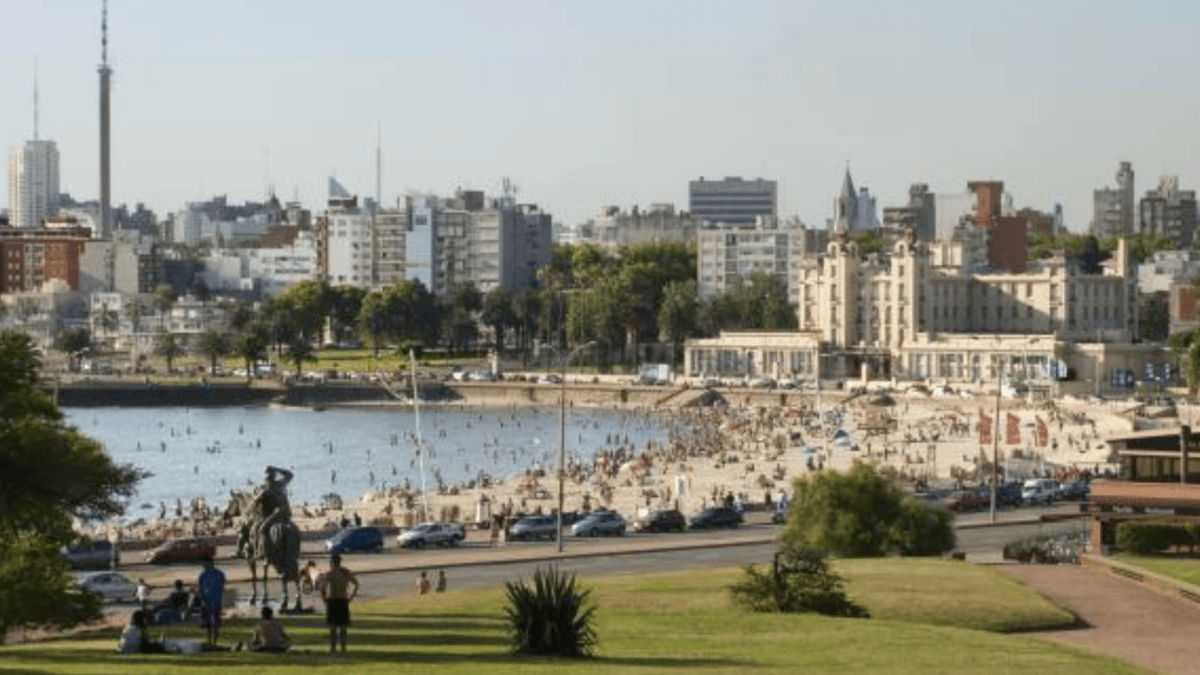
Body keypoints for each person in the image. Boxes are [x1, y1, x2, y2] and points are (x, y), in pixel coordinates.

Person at [321, 552, 358, 654]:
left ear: (332, 563)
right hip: (342, 600)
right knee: (342, 627)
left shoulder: (330, 574)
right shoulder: (345, 572)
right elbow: (356, 584)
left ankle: (334, 647)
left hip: (333, 600)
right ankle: (342, 647)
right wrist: (351, 597)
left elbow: (322, 588)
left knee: (334, 627)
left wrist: (325, 600)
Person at [254, 465, 294, 553]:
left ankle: (262, 551)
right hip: (287, 513)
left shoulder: (266, 489)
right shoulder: (281, 483)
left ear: (267, 479)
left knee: (262, 529)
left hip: (275, 515)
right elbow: (290, 474)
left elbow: (256, 502)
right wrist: (277, 469)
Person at [197, 554, 226, 649]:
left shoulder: (218, 574)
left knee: (215, 624)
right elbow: (201, 589)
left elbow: (221, 587)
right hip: (208, 602)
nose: (203, 566)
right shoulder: (203, 575)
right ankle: (210, 643)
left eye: (204, 564)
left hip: (215, 601)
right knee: (209, 624)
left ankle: (213, 642)